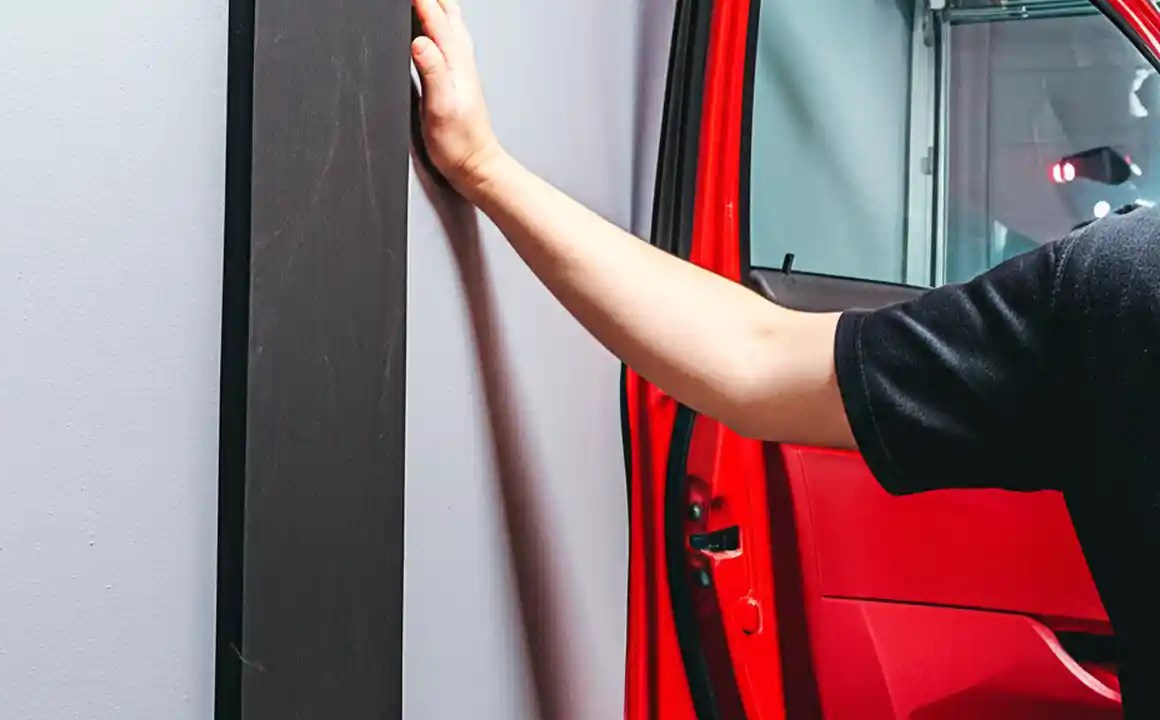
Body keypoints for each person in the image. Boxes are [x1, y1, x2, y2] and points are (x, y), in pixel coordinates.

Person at [410, 0, 1160, 714]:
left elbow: (755, 361)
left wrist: (485, 167)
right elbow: (754, 357)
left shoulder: (1127, 282)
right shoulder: (1127, 287)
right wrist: (482, 166)